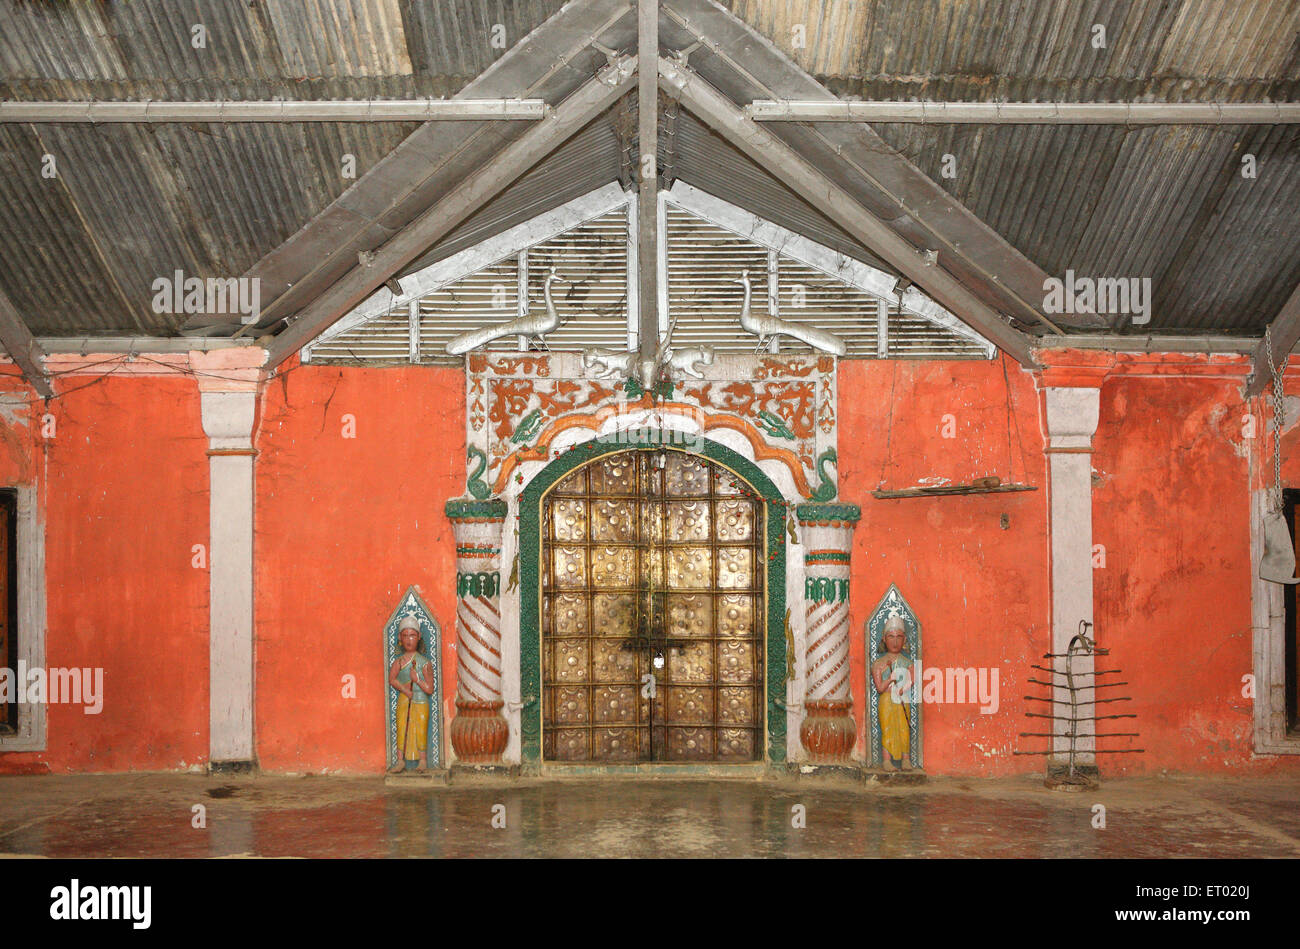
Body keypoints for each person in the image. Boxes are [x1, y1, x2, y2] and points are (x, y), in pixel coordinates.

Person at [389, 616, 435, 773]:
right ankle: (400, 760)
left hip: (421, 700)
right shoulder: (399, 662)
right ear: (400, 638)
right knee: (402, 727)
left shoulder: (425, 663)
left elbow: (429, 689)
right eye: (405, 635)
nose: (409, 640)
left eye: (412, 635)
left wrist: (418, 681)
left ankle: (422, 761)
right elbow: (392, 679)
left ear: (419, 637)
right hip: (404, 699)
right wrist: (405, 689)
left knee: (420, 729)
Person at [870, 615, 913, 771]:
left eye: (899, 637)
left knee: (903, 728)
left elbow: (912, 680)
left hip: (901, 698)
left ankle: (905, 759)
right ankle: (887, 761)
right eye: (891, 637)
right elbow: (880, 688)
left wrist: (902, 689)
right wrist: (890, 679)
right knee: (888, 728)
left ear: (904, 639)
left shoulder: (908, 663)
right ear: (884, 638)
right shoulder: (878, 664)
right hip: (886, 700)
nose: (895, 642)